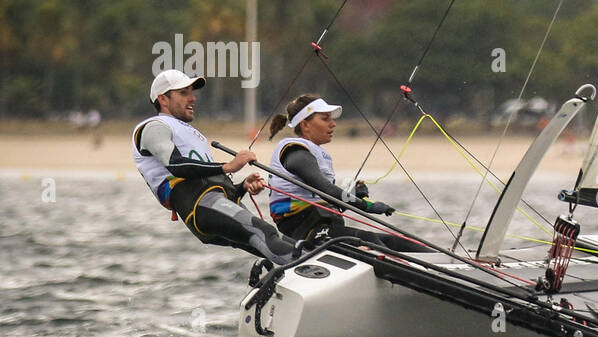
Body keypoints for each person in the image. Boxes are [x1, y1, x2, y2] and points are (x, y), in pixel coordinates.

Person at [131, 69, 299, 265]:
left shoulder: (193, 134)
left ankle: (317, 273)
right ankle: (311, 269)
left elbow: (209, 183)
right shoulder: (154, 126)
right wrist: (227, 166)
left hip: (213, 203)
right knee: (264, 232)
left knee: (280, 241)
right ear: (163, 99)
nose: (192, 98)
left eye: (192, 92)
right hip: (199, 207)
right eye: (184, 93)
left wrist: (243, 186)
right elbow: (177, 166)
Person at [266, 94, 426, 253]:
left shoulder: (316, 153)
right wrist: (366, 206)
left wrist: (355, 195)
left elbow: (327, 202)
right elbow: (326, 190)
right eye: (325, 119)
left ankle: (444, 264)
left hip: (322, 226)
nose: (333, 124)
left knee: (395, 241)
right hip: (303, 231)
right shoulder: (295, 151)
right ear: (305, 124)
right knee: (370, 239)